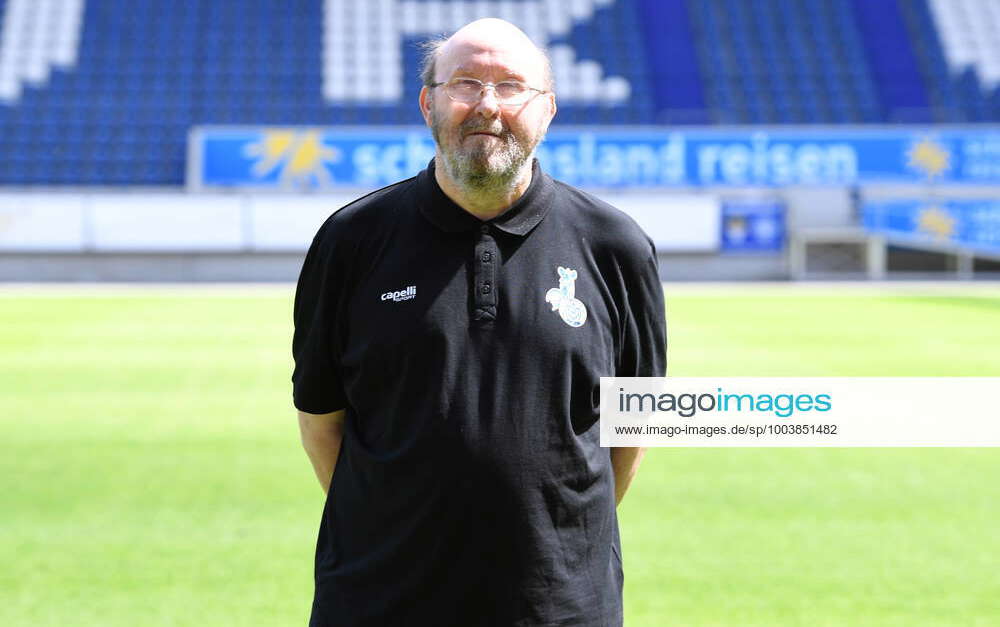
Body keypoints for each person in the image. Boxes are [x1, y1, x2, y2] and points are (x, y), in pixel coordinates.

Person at [292, 18, 666, 627]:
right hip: (378, 601)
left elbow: (633, 429)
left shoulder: (614, 245)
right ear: (428, 103)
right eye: (465, 83)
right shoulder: (352, 240)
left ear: (547, 110)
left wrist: (555, 535)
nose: (487, 105)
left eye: (511, 87)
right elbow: (321, 422)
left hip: (561, 606)